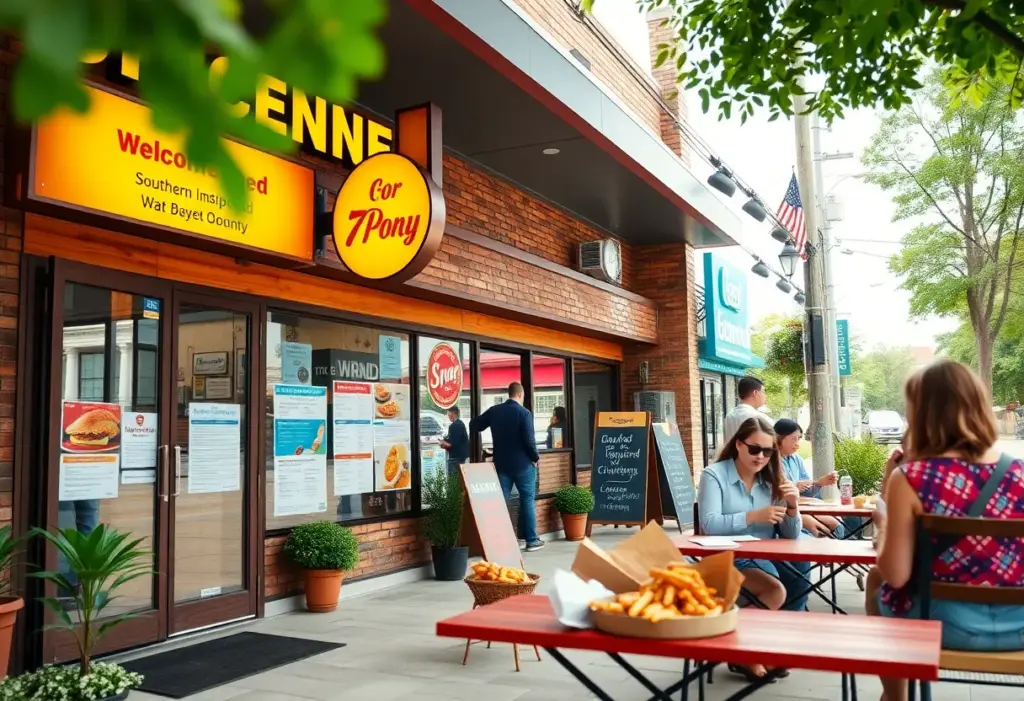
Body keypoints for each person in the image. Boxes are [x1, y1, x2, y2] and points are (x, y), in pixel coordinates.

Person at [866, 360, 1024, 701]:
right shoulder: (1020, 473)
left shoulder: (912, 477)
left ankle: (896, 696)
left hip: (945, 626)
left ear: (922, 416)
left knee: (877, 577)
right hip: (1021, 627)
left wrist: (884, 524)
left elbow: (896, 575)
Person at [697, 416, 808, 682]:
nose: (761, 456)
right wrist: (752, 517)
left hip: (766, 555)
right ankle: (740, 650)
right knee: (774, 588)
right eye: (754, 449)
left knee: (801, 571)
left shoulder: (773, 478)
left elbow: (791, 534)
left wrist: (793, 505)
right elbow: (709, 524)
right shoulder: (714, 475)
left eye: (767, 451)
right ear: (738, 445)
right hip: (726, 556)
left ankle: (769, 647)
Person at [469, 382, 544, 552]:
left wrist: (479, 449)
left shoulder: (495, 411)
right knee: (527, 500)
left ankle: (499, 541)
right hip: (524, 465)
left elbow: (475, 425)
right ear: (520, 394)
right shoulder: (524, 413)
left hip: (502, 464)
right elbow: (529, 441)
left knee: (501, 503)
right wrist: (535, 458)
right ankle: (531, 540)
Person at [774, 419, 842, 538]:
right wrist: (794, 487)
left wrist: (820, 483)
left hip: (801, 507)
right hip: (785, 510)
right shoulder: (770, 461)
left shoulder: (796, 459)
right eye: (793, 439)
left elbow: (808, 492)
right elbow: (772, 493)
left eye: (799, 439)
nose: (797, 444)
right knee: (821, 532)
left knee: (838, 527)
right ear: (779, 438)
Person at [723, 377, 767, 443]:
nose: (765, 396)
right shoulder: (758, 417)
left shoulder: (729, 416)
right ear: (755, 393)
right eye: (763, 392)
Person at [439, 406, 469, 477]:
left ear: (453, 413)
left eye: (449, 414)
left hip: (455, 458)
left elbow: (452, 444)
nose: (448, 416)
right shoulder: (460, 424)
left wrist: (444, 443)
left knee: (453, 481)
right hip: (460, 457)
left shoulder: (454, 426)